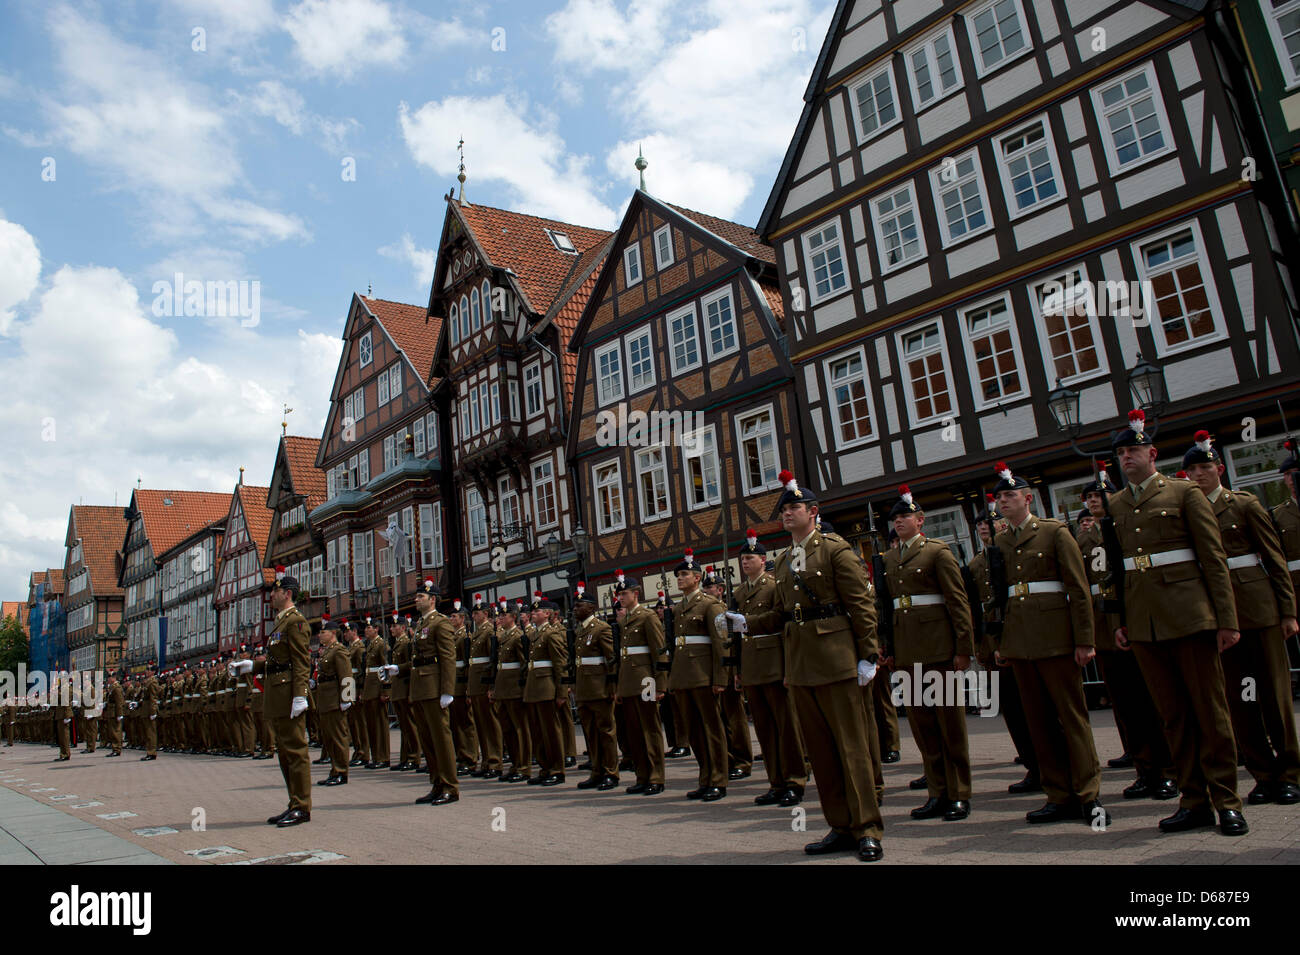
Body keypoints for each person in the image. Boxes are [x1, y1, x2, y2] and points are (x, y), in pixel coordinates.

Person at [1108, 409, 1246, 836]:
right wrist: (1121, 619)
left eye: (1133, 450)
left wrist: (1226, 619)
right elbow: (1118, 567)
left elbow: (1213, 559)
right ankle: (1193, 800)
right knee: (1173, 717)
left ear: (1152, 453)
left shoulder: (1185, 495)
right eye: (1121, 453)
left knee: (1210, 712)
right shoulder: (1115, 504)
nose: (1126, 458)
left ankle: (1227, 800)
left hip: (1190, 617)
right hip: (1145, 625)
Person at [766, 470, 883, 861]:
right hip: (801, 667)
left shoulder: (835, 549)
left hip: (836, 661)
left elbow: (861, 605)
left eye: (794, 507)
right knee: (821, 753)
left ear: (813, 511)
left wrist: (868, 655)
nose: (787, 513)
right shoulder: (782, 560)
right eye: (784, 509)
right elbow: (784, 614)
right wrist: (744, 623)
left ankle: (867, 827)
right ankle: (840, 826)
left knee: (852, 748)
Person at [1182, 429, 1299, 805]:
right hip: (1217, 616)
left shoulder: (1244, 504)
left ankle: (1290, 772)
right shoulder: (1186, 511)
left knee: (1274, 696)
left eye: (1205, 466)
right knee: (1240, 698)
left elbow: (1275, 560)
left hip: (1257, 608)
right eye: (1193, 470)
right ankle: (1262, 773)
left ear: (1219, 468)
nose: (1199, 474)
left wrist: (1287, 610)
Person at [991, 461, 1105, 826]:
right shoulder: (1001, 541)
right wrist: (1002, 643)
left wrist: (1084, 640)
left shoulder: (1054, 533)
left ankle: (1089, 795)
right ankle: (1058, 795)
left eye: (1010, 495)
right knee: (1038, 722)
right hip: (1020, 643)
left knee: (1071, 718)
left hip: (1056, 639)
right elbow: (1000, 596)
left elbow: (1077, 587)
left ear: (1028, 499)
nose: (1003, 501)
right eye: (1000, 497)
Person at [1076, 467, 1176, 800]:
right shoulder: (1085, 536)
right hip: (1105, 624)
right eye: (1089, 498)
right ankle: (1145, 767)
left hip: (1135, 617)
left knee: (1153, 698)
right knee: (1125, 702)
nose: (1095, 502)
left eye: (1100, 496)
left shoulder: (1123, 525)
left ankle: (1168, 768)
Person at [881, 485, 974, 821]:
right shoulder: (890, 559)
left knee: (950, 725)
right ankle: (937, 791)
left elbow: (957, 602)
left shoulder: (938, 552)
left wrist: (963, 648)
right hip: (907, 652)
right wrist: (889, 649)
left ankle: (959, 793)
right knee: (923, 727)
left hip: (939, 650)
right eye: (895, 518)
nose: (899, 521)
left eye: (905, 516)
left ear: (920, 520)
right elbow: (887, 608)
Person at [969, 494, 1039, 793]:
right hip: (994, 644)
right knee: (1012, 708)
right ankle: (1032, 764)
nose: (985, 528)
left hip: (1025, 639)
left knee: (1037, 707)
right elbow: (976, 608)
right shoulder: (976, 563)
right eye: (981, 524)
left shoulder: (1012, 551)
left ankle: (1053, 766)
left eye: (990, 521)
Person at [733, 529, 806, 807]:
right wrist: (738, 670)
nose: (746, 562)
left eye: (750, 558)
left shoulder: (774, 587)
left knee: (786, 726)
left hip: (774, 662)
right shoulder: (740, 593)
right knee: (763, 729)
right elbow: (736, 634)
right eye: (743, 559)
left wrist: (788, 668)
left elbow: (781, 620)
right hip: (751, 664)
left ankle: (795, 780)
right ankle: (776, 782)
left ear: (763, 560)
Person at [234, 570, 312, 826]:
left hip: (289, 692)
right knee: (284, 752)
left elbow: (301, 662)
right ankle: (293, 802)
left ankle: (302, 806)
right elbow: (276, 661)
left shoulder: (296, 622)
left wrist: (300, 696)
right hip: (278, 693)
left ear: (287, 593)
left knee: (296, 751)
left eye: (275, 591)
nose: (271, 595)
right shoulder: (281, 622)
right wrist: (251, 666)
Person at [668, 549, 728, 801]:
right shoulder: (680, 607)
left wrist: (720, 678)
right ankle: (705, 776)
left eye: (684, 574)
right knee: (693, 730)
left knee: (712, 728)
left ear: (697, 577)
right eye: (678, 575)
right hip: (684, 676)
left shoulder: (710, 605)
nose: (679, 579)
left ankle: (718, 779)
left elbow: (720, 642)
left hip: (703, 676)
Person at [405, 580, 459, 805]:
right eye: (417, 596)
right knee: (427, 739)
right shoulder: (421, 624)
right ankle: (436, 783)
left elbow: (447, 657)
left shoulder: (440, 623)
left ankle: (450, 786)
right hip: (420, 687)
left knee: (441, 738)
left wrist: (447, 691)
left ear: (432, 599)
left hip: (434, 688)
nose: (416, 600)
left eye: (421, 597)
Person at [614, 572, 667, 795]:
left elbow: (659, 652)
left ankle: (656, 776)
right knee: (634, 732)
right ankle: (642, 775)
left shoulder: (647, 617)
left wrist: (661, 685)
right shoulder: (624, 620)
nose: (621, 597)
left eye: (624, 593)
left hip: (646, 680)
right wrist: (619, 687)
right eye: (619, 594)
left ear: (636, 594)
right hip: (629, 682)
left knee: (650, 730)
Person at [573, 583, 619, 790]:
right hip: (584, 690)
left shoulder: (602, 629)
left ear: (591, 608)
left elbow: (611, 660)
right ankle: (597, 770)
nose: (575, 609)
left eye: (579, 605)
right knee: (590, 734)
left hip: (600, 689)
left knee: (606, 733)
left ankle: (611, 772)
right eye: (575, 606)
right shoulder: (579, 631)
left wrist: (612, 687)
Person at [524, 595, 568, 787]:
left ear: (548, 614)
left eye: (537, 611)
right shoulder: (534, 635)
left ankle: (557, 769)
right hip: (534, 687)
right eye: (532, 612)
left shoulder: (551, 634)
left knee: (551, 731)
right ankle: (544, 767)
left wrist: (561, 692)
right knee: (538, 731)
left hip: (547, 687)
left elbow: (560, 664)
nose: (533, 614)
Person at [489, 603, 531, 783]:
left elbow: (524, 664)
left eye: (504, 616)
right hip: (503, 688)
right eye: (499, 616)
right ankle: (514, 765)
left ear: (513, 617)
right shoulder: (502, 637)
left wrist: (523, 688)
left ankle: (524, 766)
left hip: (514, 688)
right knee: (507, 729)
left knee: (520, 729)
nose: (500, 619)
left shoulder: (518, 637)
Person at [467, 596, 504, 779]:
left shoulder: (490, 632)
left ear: (486, 614)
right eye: (473, 613)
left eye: (477, 613)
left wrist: (492, 685)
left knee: (491, 723)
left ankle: (495, 761)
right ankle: (486, 761)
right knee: (481, 724)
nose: (474, 616)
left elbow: (493, 660)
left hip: (484, 683)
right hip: (475, 683)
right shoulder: (476, 633)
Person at [315, 617, 354, 786]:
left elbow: (346, 675)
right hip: (325, 699)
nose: (319, 635)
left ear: (332, 633)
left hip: (334, 699)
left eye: (322, 632)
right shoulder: (328, 651)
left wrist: (347, 698)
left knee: (338, 737)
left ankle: (341, 772)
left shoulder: (338, 650)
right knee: (329, 738)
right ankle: (334, 770)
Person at [360, 617, 391, 769]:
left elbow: (386, 668)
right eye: (366, 628)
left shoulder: (381, 645)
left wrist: (385, 690)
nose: (366, 630)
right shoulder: (370, 645)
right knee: (371, 725)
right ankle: (376, 756)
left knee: (380, 724)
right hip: (369, 687)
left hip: (377, 687)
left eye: (369, 628)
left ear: (377, 629)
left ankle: (383, 757)